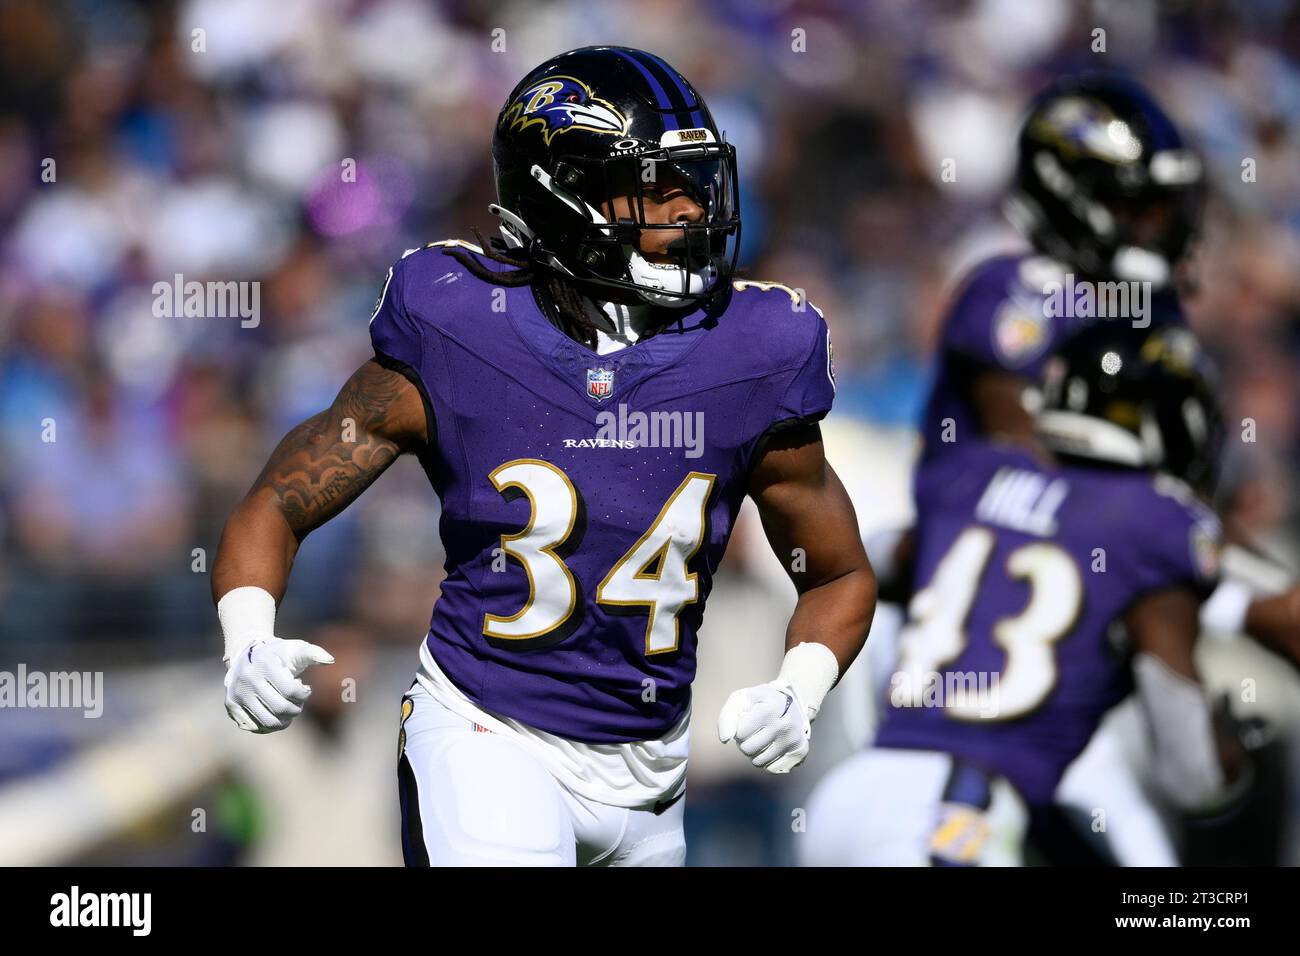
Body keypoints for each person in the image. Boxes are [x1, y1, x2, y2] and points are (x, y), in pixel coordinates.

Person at [211, 46, 875, 867]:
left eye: (692, 182)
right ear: (558, 199)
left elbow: (839, 574)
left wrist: (800, 688)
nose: (686, 211)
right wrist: (248, 634)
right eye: (650, 187)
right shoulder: (462, 325)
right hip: (489, 733)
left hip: (653, 771)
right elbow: (279, 499)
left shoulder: (754, 350)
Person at [802, 322, 1247, 866]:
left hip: (849, 795)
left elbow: (881, 560)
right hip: (960, 810)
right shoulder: (1155, 525)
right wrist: (1233, 750)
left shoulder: (973, 474)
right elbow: (1193, 774)